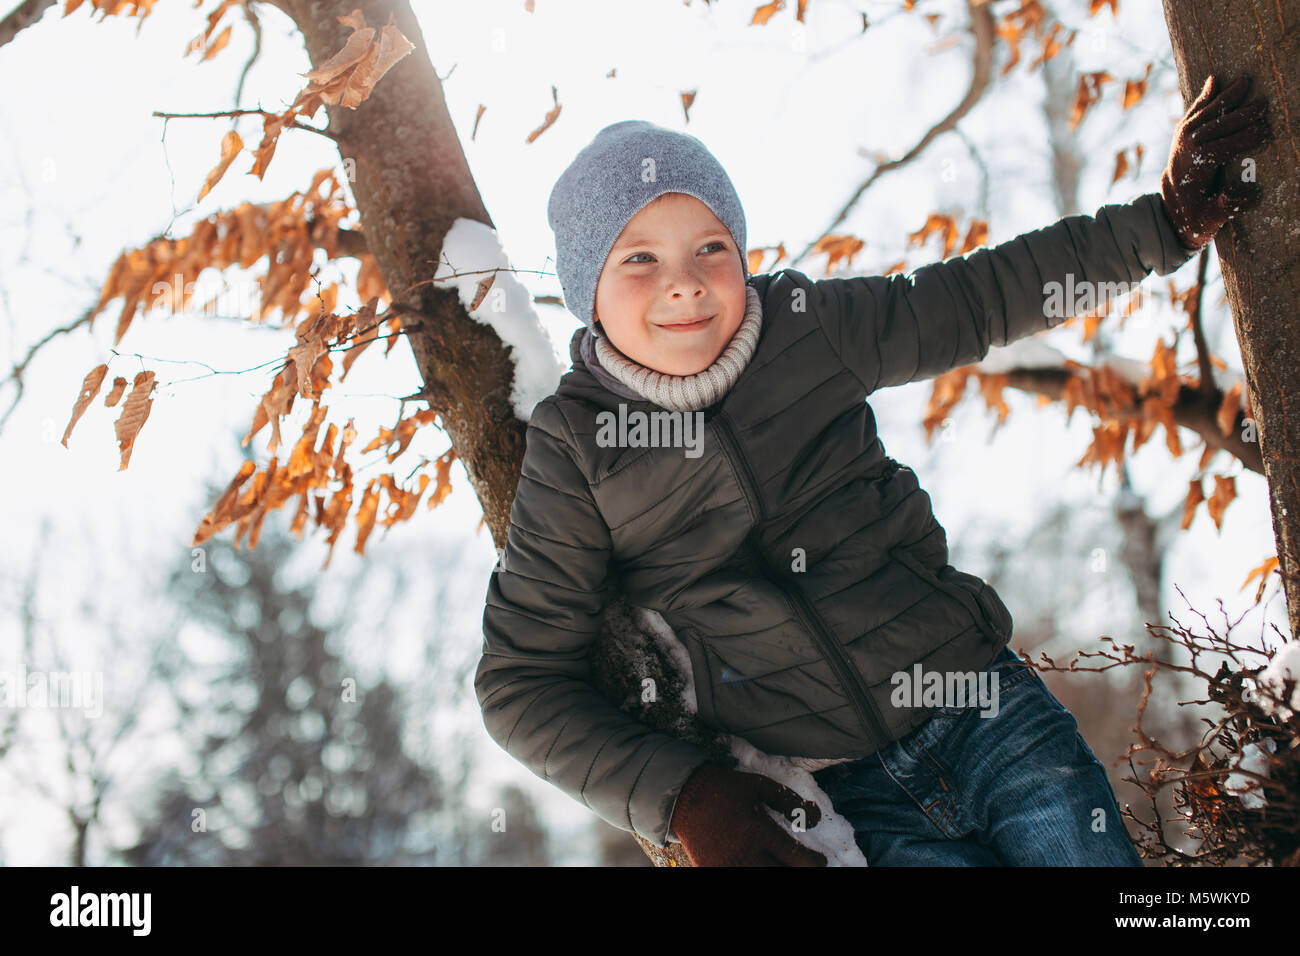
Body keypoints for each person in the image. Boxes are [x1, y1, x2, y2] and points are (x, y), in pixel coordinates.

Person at [475, 74, 1271, 866]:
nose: (683, 280)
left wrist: (1163, 224)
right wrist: (684, 797)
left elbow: (980, 298)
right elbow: (520, 682)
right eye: (639, 258)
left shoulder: (805, 327)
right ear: (589, 294)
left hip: (980, 706)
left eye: (710, 247)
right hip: (841, 794)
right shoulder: (577, 448)